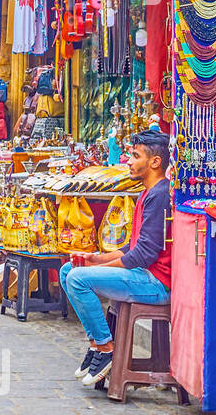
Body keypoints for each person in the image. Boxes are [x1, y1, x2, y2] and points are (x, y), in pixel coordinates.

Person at [62, 130, 173, 388]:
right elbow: (131, 247)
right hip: (142, 275)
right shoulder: (148, 192)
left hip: (156, 283)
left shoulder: (159, 195)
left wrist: (94, 267)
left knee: (78, 278)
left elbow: (143, 255)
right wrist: (95, 258)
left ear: (155, 162)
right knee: (69, 270)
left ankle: (106, 347)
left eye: (135, 156)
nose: (129, 161)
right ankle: (96, 343)